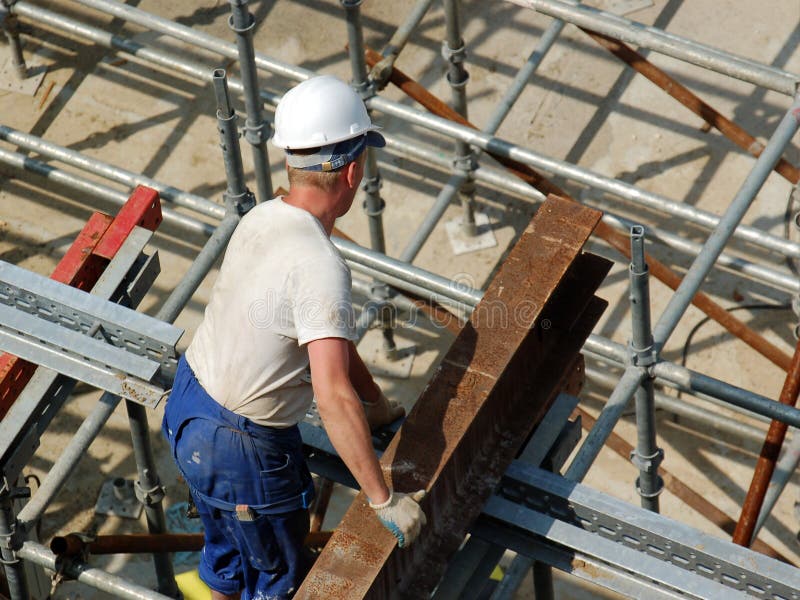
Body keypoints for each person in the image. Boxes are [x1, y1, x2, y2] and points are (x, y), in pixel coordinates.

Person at [162, 74, 426, 600]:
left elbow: (324, 338)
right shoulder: (319, 265)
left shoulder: (262, 218)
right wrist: (381, 498)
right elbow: (329, 395)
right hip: (241, 450)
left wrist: (372, 401)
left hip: (189, 406)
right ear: (352, 171)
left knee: (230, 560)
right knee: (276, 584)